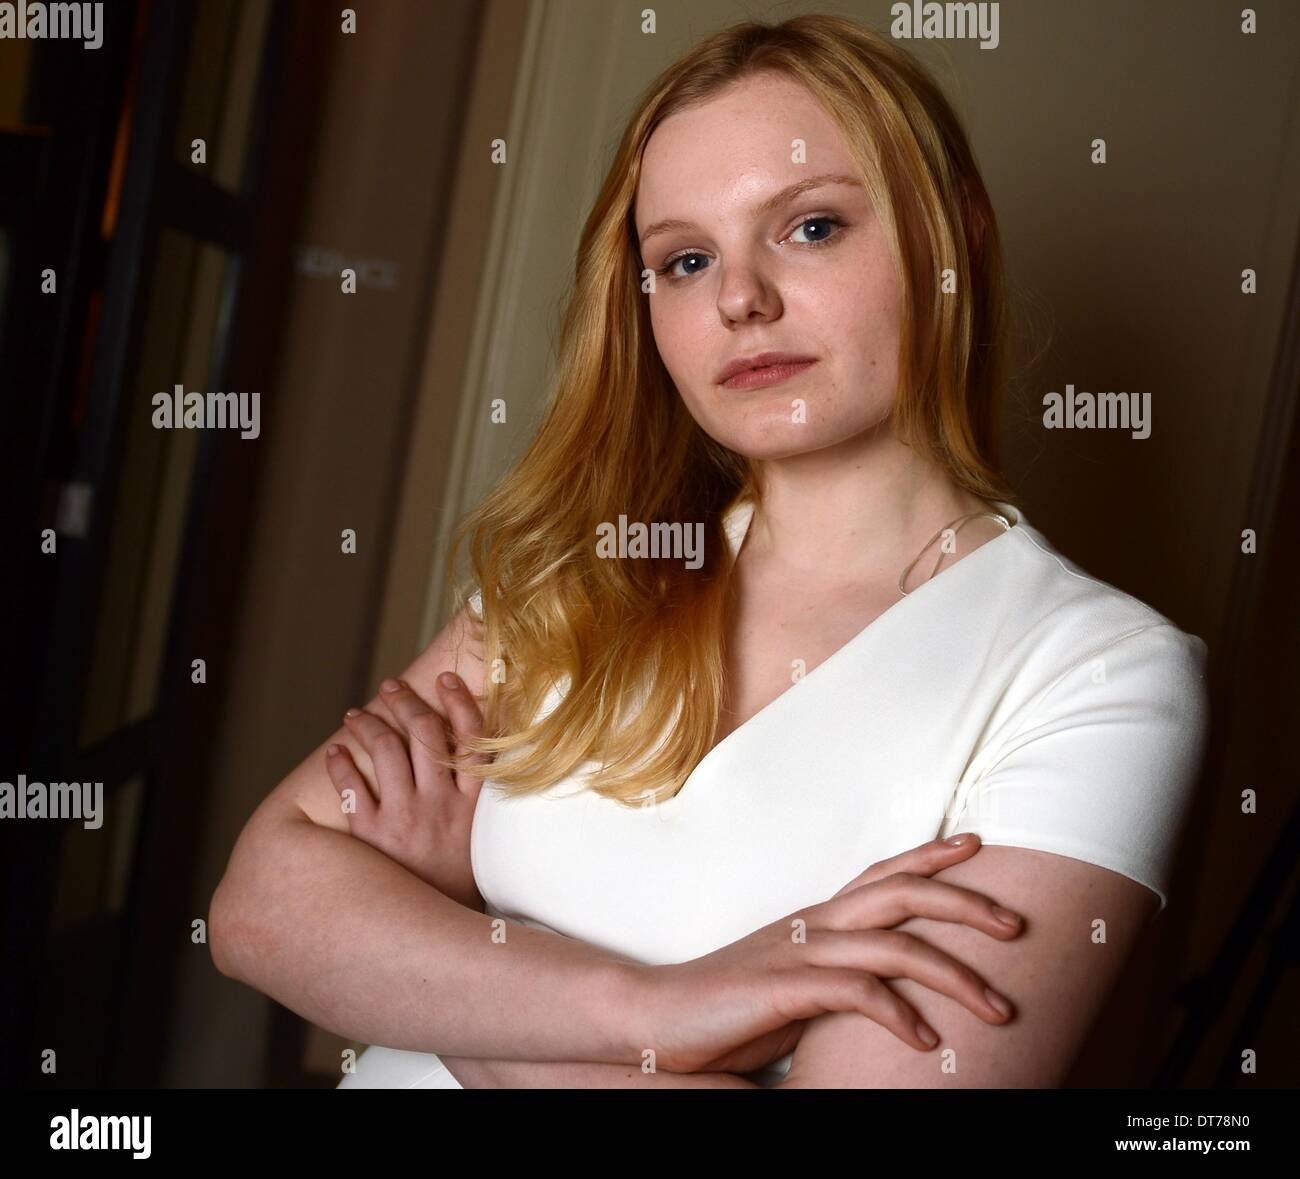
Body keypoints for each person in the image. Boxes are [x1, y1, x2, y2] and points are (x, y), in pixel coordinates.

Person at [211, 15, 1209, 1089]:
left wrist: (441, 948)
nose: (740, 298)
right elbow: (258, 906)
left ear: (953, 236)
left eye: (812, 227)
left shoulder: (1096, 674)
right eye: (684, 260)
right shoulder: (582, 580)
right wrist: (661, 1012)